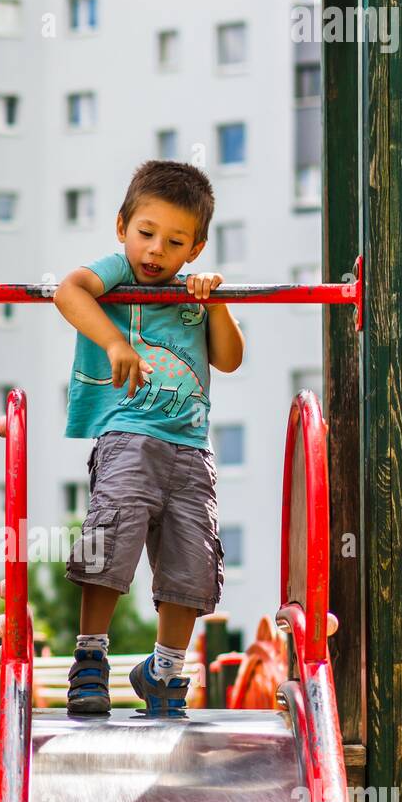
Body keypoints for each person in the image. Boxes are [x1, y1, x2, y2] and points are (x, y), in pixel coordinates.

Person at [54, 159, 244, 716]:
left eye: (175, 240)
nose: (156, 250)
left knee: (192, 554)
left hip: (191, 447)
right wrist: (115, 344)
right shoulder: (118, 271)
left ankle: (164, 670)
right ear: (122, 227)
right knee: (113, 534)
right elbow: (69, 291)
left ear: (196, 248)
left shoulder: (192, 291)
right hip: (130, 432)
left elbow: (229, 360)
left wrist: (217, 302)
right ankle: (90, 657)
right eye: (146, 233)